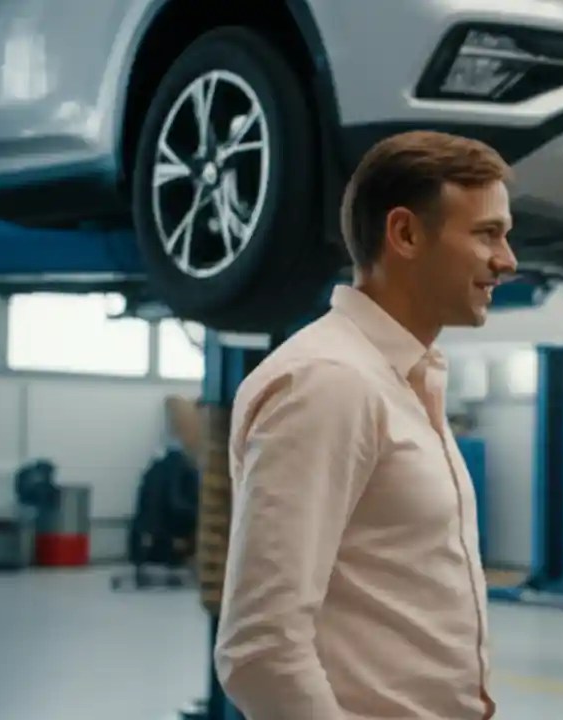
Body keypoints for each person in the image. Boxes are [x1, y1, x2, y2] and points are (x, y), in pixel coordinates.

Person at [213, 130, 518, 720]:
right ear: (404, 234)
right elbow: (261, 649)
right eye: (487, 234)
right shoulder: (330, 382)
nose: (508, 260)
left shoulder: (406, 377)